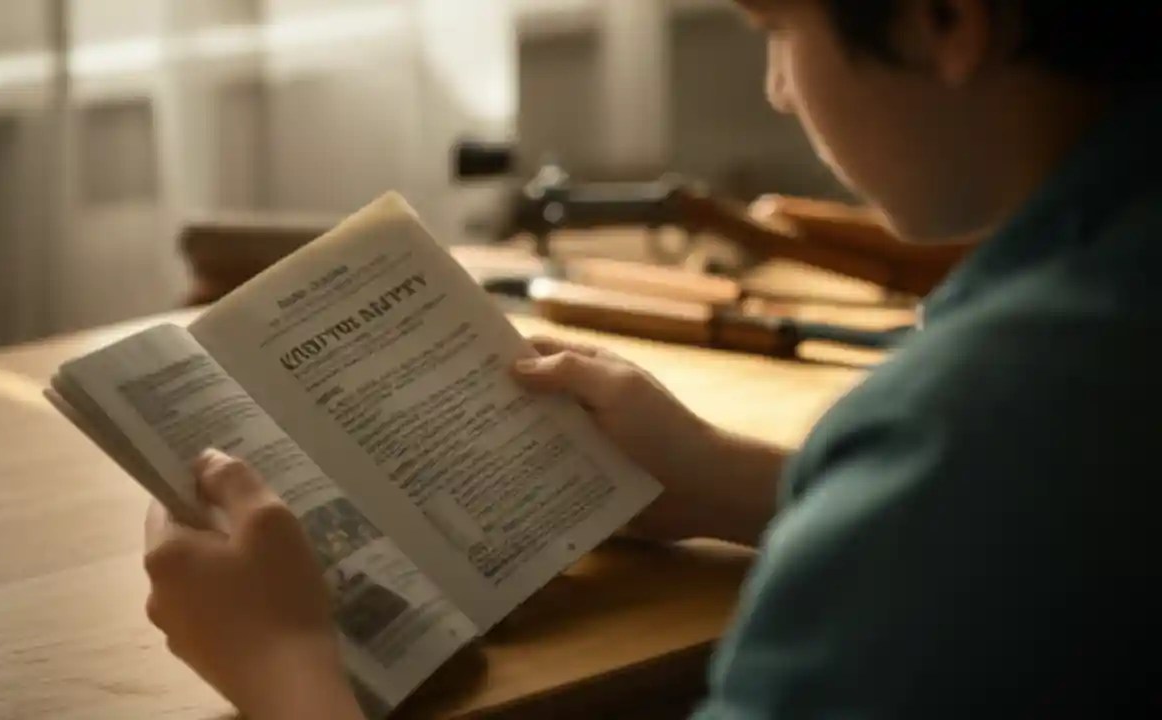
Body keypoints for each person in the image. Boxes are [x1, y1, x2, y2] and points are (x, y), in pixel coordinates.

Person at [141, 1, 1161, 718]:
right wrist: (726, 480)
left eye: (777, 31)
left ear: (943, 20)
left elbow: (986, 482)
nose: (776, 91)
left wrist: (287, 673)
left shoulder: (979, 421)